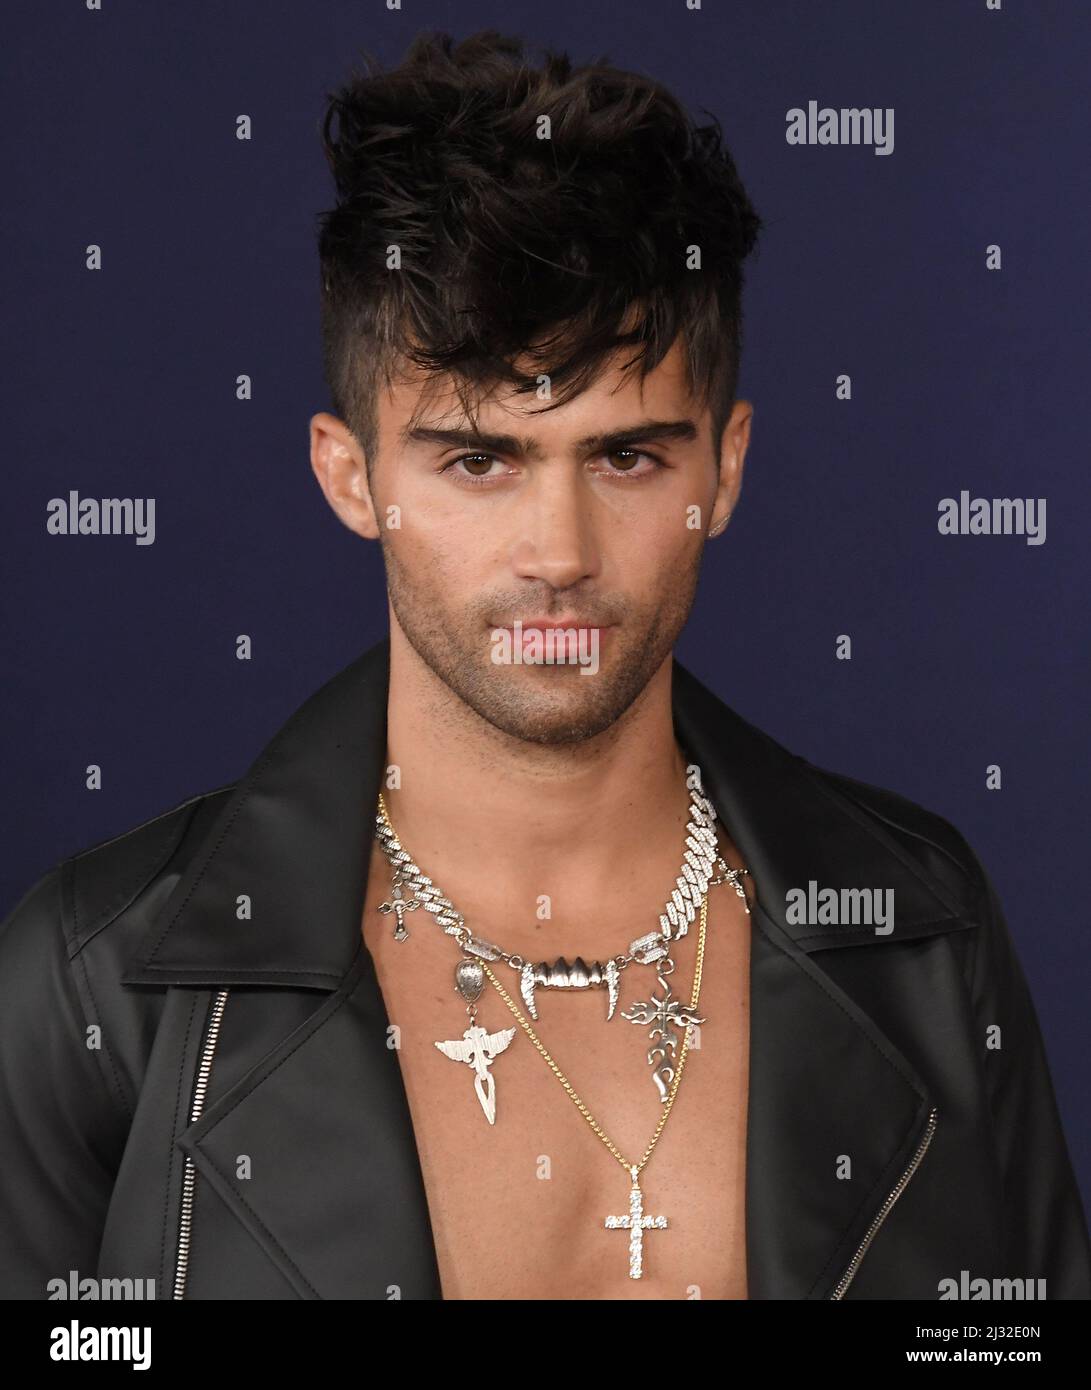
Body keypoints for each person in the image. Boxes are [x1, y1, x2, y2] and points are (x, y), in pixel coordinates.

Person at [1, 28, 1087, 1302]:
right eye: (479, 461)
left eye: (625, 458)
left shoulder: (918, 929)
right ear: (348, 476)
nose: (558, 553)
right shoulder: (97, 980)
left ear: (723, 469)